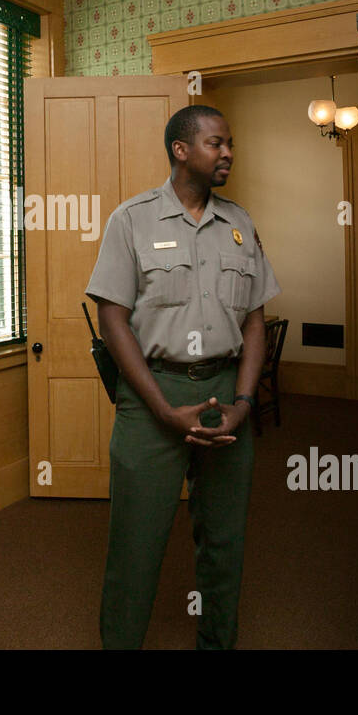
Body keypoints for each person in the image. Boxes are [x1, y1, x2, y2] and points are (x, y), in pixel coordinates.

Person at [85, 104, 280, 649]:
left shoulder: (241, 223)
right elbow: (112, 319)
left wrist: (244, 401)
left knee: (224, 543)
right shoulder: (132, 219)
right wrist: (162, 409)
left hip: (224, 395)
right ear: (181, 150)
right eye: (217, 143)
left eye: (230, 144)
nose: (228, 154)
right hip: (153, 396)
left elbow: (256, 321)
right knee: (136, 545)